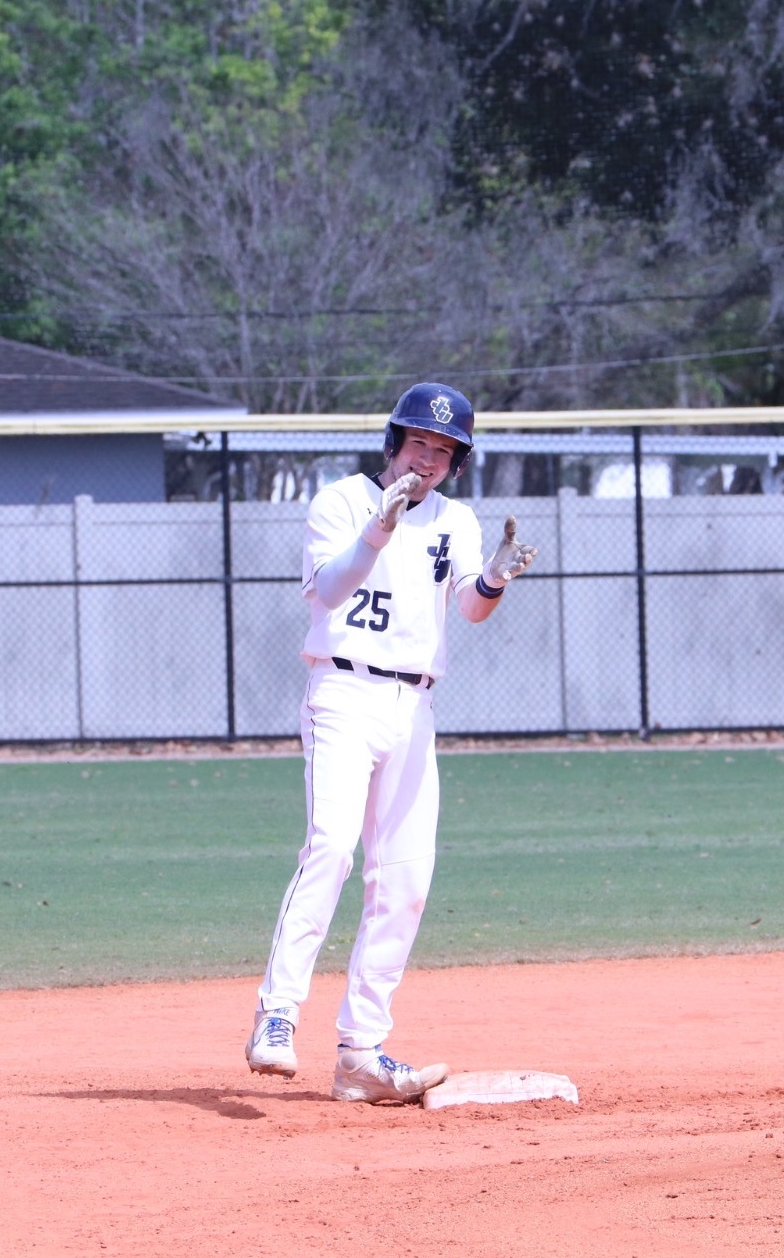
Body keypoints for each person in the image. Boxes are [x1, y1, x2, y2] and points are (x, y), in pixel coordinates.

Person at [245, 382, 538, 1104]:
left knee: (404, 878)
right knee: (332, 847)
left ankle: (359, 1053)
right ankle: (277, 1014)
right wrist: (380, 523)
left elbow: (469, 606)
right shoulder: (340, 502)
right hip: (342, 692)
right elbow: (333, 589)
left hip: (414, 704)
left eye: (444, 449)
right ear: (392, 443)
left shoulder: (456, 519)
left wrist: (495, 576)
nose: (429, 457)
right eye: (418, 442)